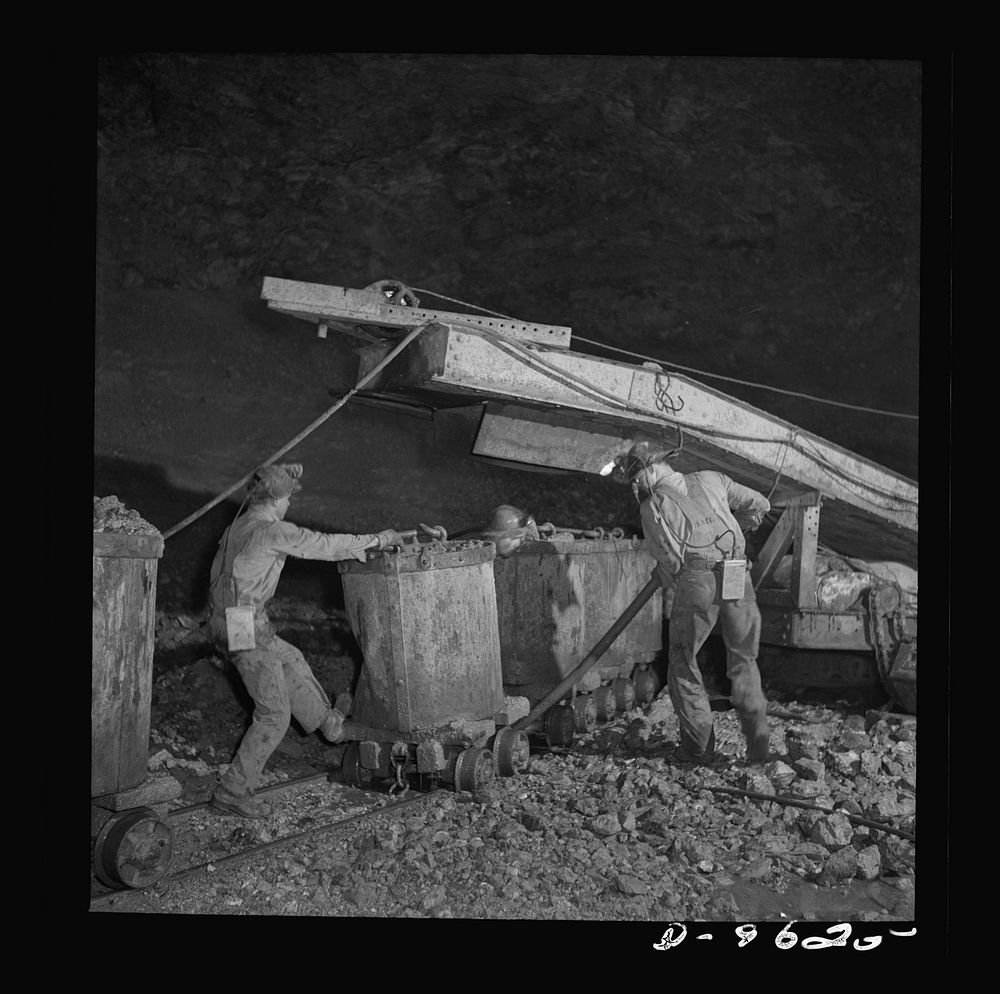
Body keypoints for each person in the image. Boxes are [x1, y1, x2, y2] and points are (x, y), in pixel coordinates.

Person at [207, 462, 403, 818]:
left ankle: (331, 725)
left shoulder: (238, 525)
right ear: (278, 499)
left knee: (291, 658)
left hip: (237, 619)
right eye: (288, 499)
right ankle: (232, 791)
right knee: (274, 714)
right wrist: (378, 540)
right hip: (241, 624)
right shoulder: (270, 531)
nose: (289, 505)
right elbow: (323, 545)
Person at [617, 440, 772, 765]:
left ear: (642, 475)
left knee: (682, 661)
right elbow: (760, 504)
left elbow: (672, 565)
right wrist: (738, 526)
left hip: (698, 580)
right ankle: (759, 751)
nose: (636, 488)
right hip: (737, 574)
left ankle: (699, 750)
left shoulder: (653, 506)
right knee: (744, 659)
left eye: (635, 482)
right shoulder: (712, 478)